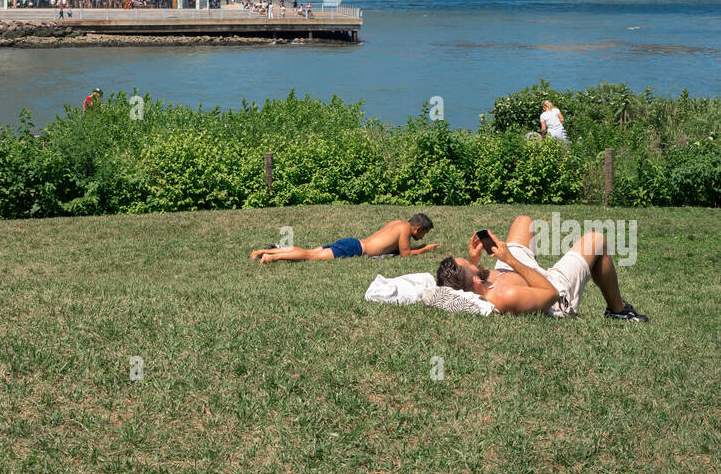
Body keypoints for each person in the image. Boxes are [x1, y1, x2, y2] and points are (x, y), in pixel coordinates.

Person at [434, 215, 648, 320]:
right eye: (470, 266)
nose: (473, 263)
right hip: (552, 288)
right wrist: (510, 259)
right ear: (475, 281)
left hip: (512, 272)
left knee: (523, 221)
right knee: (596, 239)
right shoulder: (507, 295)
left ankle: (525, 261)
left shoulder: (475, 285)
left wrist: (473, 261)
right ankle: (618, 310)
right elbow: (551, 293)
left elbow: (472, 282)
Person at [251, 214, 437, 265]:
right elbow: (405, 254)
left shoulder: (398, 223)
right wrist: (425, 248)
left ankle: (263, 251)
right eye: (423, 234)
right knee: (309, 255)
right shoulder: (405, 229)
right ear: (418, 228)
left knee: (312, 250)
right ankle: (272, 257)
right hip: (354, 248)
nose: (422, 238)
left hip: (352, 242)